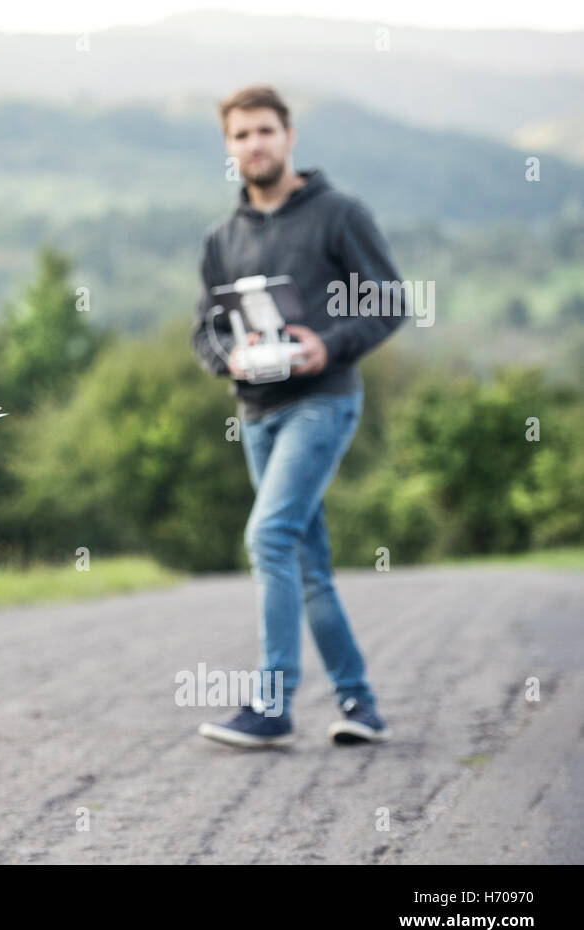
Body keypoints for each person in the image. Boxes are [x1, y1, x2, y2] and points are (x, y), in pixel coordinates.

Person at [191, 85, 406, 748]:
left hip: (324, 399)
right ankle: (360, 704)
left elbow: (390, 301)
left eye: (264, 131)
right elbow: (204, 333)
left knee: (269, 537)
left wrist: (327, 344)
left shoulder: (339, 213)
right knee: (306, 562)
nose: (253, 144)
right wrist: (231, 357)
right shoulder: (221, 239)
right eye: (240, 135)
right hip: (257, 413)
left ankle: (272, 702)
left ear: (288, 136)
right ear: (228, 148)